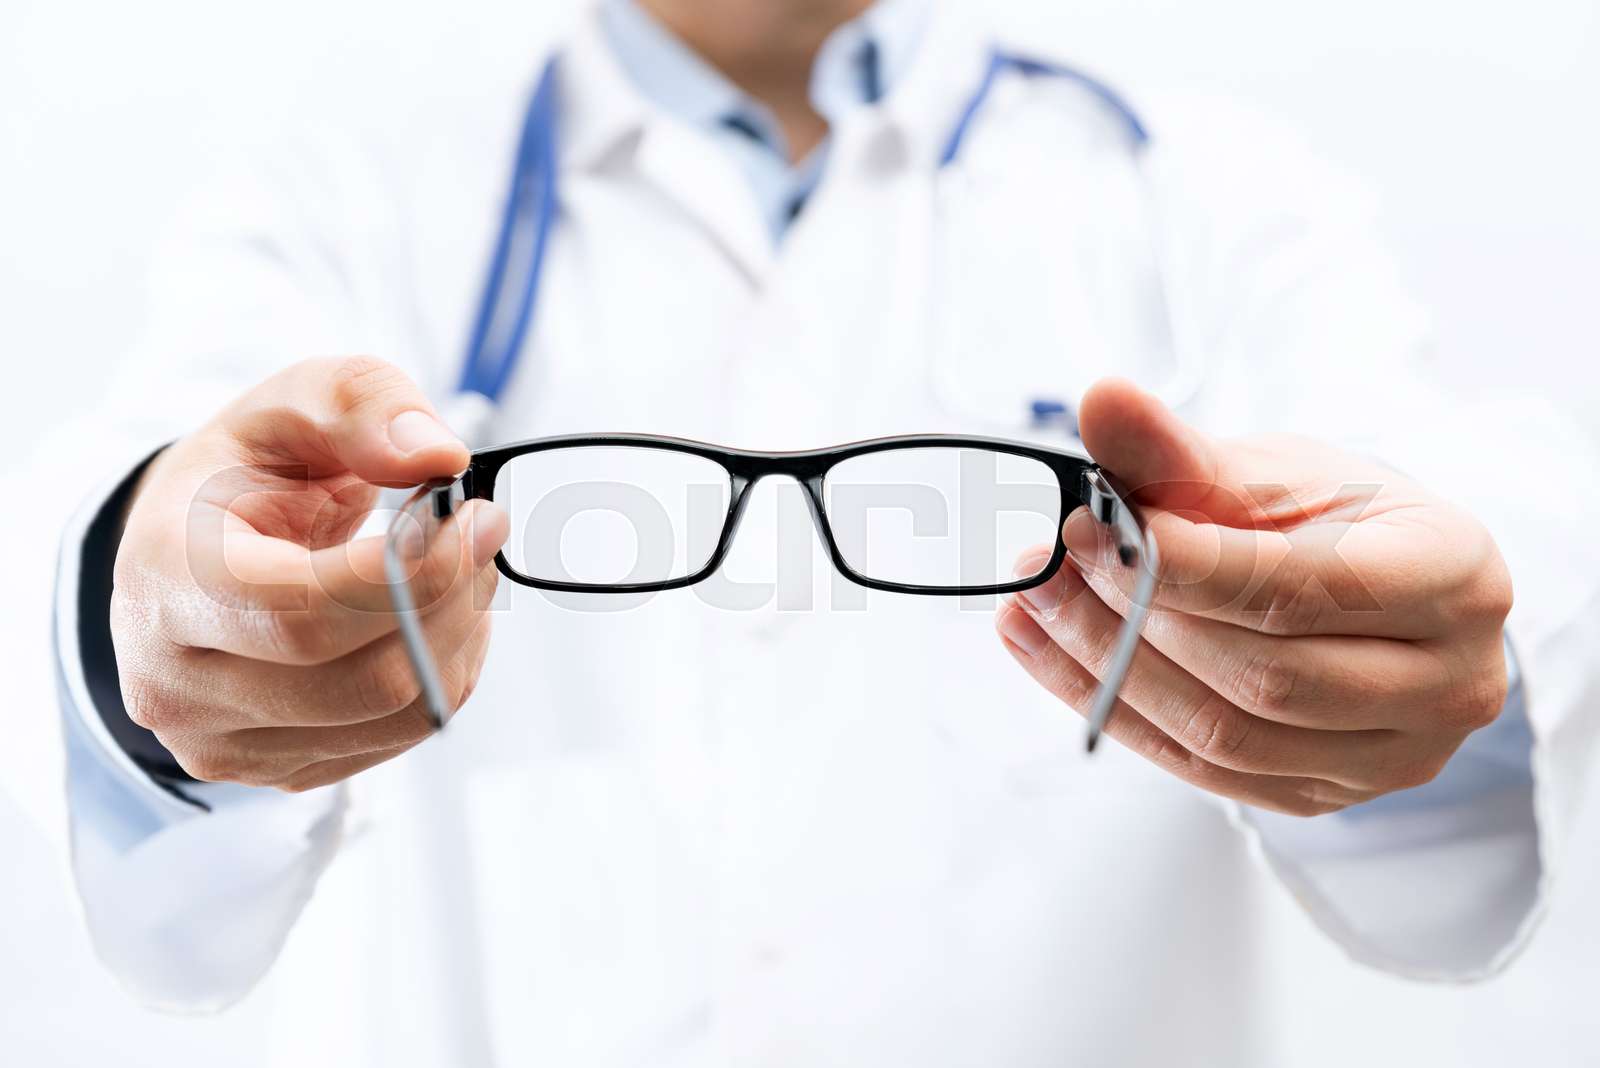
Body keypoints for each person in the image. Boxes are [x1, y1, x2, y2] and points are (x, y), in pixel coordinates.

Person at [34, 0, 1600, 1063]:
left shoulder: (1201, 201)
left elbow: (1475, 535)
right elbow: (127, 541)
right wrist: (164, 619)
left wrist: (1419, 675)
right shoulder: (340, 206)